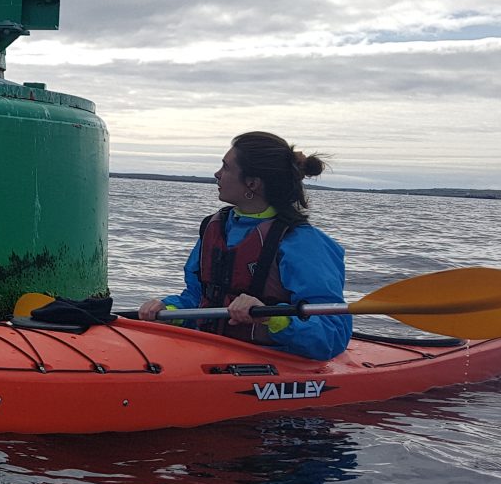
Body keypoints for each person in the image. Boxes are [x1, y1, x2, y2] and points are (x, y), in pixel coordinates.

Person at [138, 132, 351, 360]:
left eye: (226, 167)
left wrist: (272, 317)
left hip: (273, 361)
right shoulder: (216, 227)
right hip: (213, 352)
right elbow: (197, 297)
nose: (217, 174)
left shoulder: (303, 243)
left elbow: (333, 333)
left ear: (252, 183)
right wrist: (169, 310)